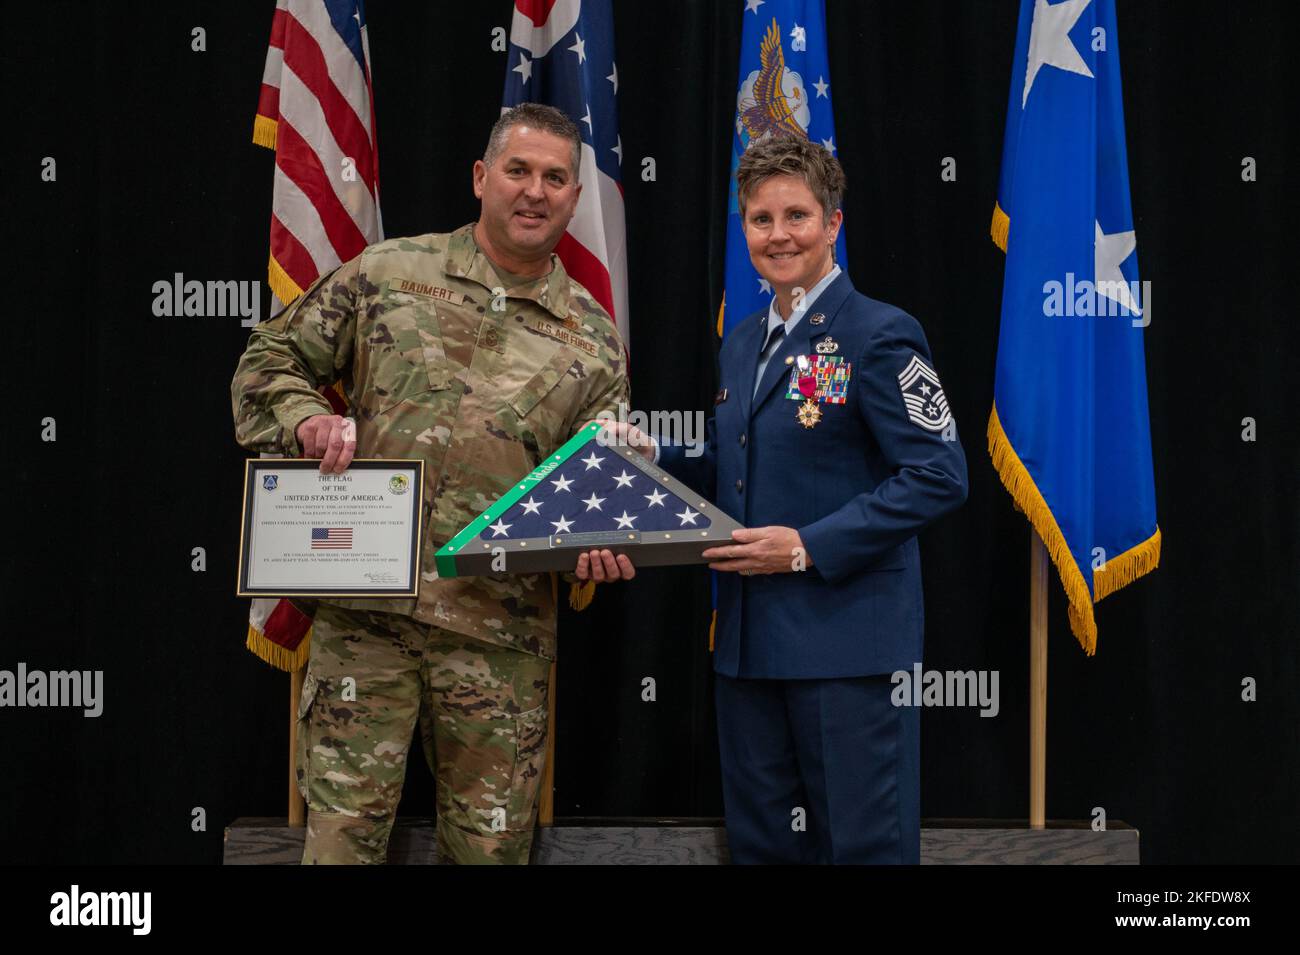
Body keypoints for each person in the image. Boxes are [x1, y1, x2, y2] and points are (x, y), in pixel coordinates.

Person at [231, 103, 634, 865]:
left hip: (498, 643)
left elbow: (602, 488)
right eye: (518, 170)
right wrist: (306, 422)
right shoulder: (390, 272)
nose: (535, 191)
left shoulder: (594, 341)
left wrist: (601, 546)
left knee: (489, 856)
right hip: (364, 625)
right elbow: (267, 363)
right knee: (338, 850)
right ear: (482, 177)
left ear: (575, 199)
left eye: (555, 178)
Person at [602, 134, 968, 863]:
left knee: (860, 851)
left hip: (847, 650)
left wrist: (805, 547)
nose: (779, 235)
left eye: (797, 216)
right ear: (744, 228)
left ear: (834, 223)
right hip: (747, 647)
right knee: (763, 852)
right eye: (761, 219)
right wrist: (655, 453)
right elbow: (742, 461)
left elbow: (939, 474)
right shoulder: (743, 340)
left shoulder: (882, 333)